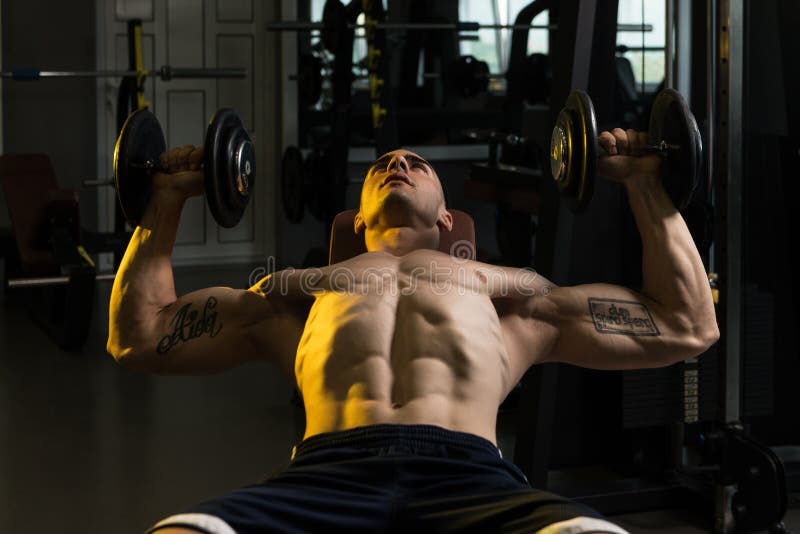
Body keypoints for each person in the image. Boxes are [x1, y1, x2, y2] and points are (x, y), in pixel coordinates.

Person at [107, 128, 719, 534]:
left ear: (446, 217)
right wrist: (165, 199)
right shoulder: (292, 300)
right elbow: (139, 335)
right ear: (358, 217)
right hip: (323, 478)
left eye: (415, 164)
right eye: (382, 165)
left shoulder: (517, 303)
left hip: (473, 481)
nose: (398, 164)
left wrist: (646, 186)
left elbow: (686, 325)